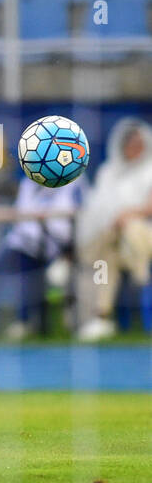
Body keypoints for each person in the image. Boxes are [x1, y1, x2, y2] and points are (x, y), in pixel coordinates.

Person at [74, 116, 152, 341]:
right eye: (130, 144)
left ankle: (141, 275)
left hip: (143, 240)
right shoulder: (108, 172)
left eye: (139, 144)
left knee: (131, 227)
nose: (135, 148)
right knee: (105, 261)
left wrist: (127, 216)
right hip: (118, 246)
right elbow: (96, 209)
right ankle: (102, 317)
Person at [0, 175, 81, 340]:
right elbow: (21, 217)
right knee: (0, 267)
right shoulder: (27, 183)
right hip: (24, 243)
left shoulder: (74, 181)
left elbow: (69, 220)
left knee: (56, 276)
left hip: (59, 247)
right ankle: (18, 321)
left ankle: (65, 320)